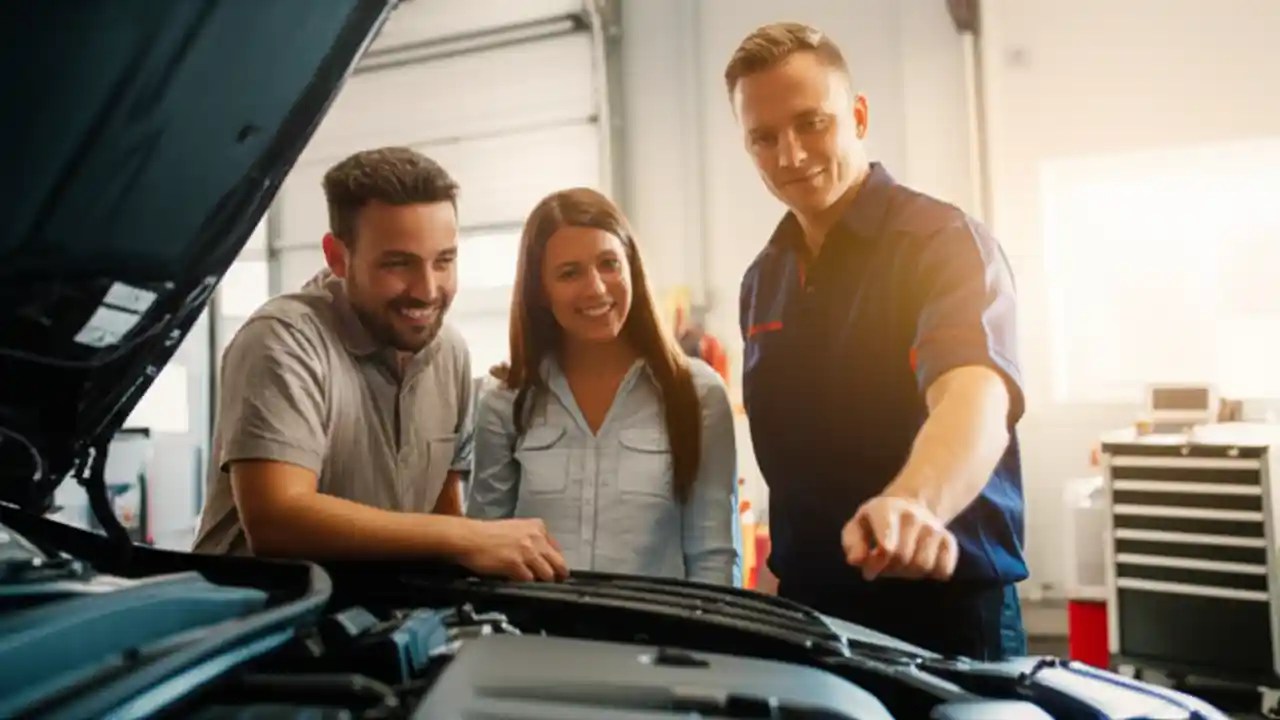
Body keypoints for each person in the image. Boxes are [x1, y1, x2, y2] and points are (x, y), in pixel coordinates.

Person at [725, 22, 1028, 659]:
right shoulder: (763, 279)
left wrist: (913, 504)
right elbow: (792, 472)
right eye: (764, 138)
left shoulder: (943, 244)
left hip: (946, 616)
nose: (790, 155)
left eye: (811, 123)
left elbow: (974, 396)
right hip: (814, 616)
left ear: (858, 115)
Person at [192, 147, 568, 583]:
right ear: (337, 257)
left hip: (376, 622)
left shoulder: (450, 353)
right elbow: (277, 520)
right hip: (257, 624)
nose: (427, 290)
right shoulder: (282, 340)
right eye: (398, 264)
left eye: (444, 261)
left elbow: (440, 516)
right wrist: (470, 536)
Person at [466, 188, 741, 586]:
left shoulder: (697, 394)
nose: (595, 288)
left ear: (632, 268)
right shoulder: (505, 401)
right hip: (537, 639)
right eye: (569, 273)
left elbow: (714, 556)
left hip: (657, 641)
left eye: (609, 264)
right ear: (540, 290)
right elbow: (487, 548)